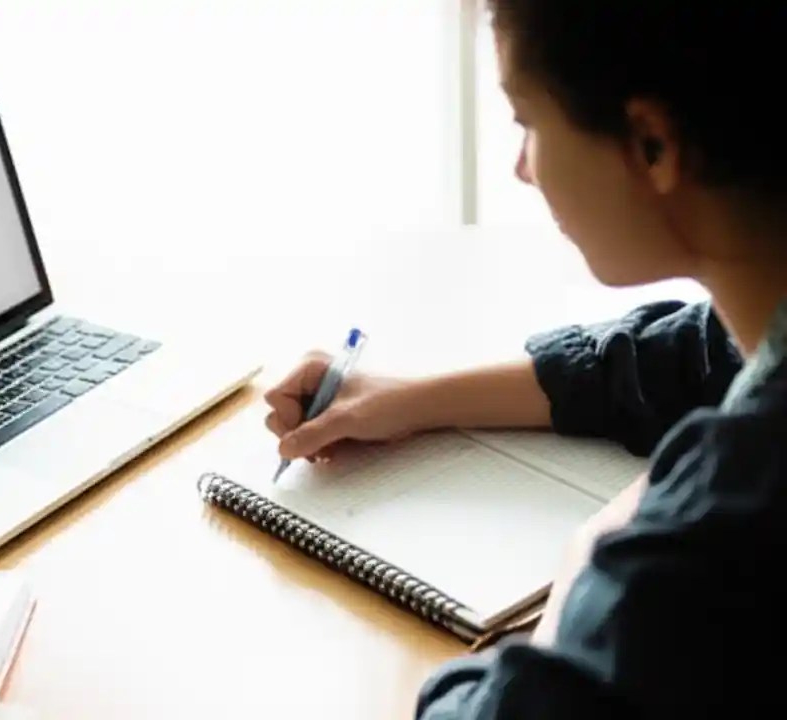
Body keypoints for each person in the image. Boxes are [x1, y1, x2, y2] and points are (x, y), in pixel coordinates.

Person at [263, 1, 786, 717]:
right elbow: (674, 360)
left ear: (652, 145)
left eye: (527, 123)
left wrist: (586, 579)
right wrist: (413, 397)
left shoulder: (712, 543)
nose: (520, 168)